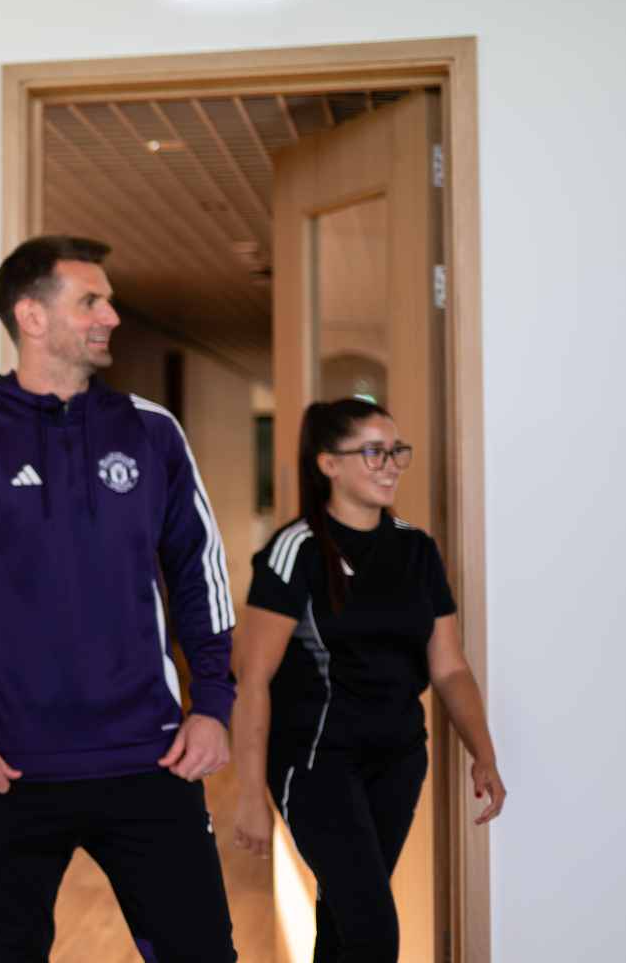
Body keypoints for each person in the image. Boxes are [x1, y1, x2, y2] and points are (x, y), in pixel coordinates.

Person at [0, 235, 239, 962]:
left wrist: (211, 704)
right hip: (9, 766)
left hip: (149, 757)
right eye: (92, 300)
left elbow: (198, 571)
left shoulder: (152, 432)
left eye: (108, 300)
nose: (111, 315)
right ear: (32, 315)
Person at [230, 399, 504, 962]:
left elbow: (449, 666)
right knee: (375, 930)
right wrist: (250, 795)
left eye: (396, 451)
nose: (391, 465)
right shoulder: (295, 549)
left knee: (344, 921)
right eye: (373, 452)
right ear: (329, 463)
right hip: (315, 761)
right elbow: (253, 678)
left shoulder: (417, 549)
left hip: (398, 758)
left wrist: (483, 751)